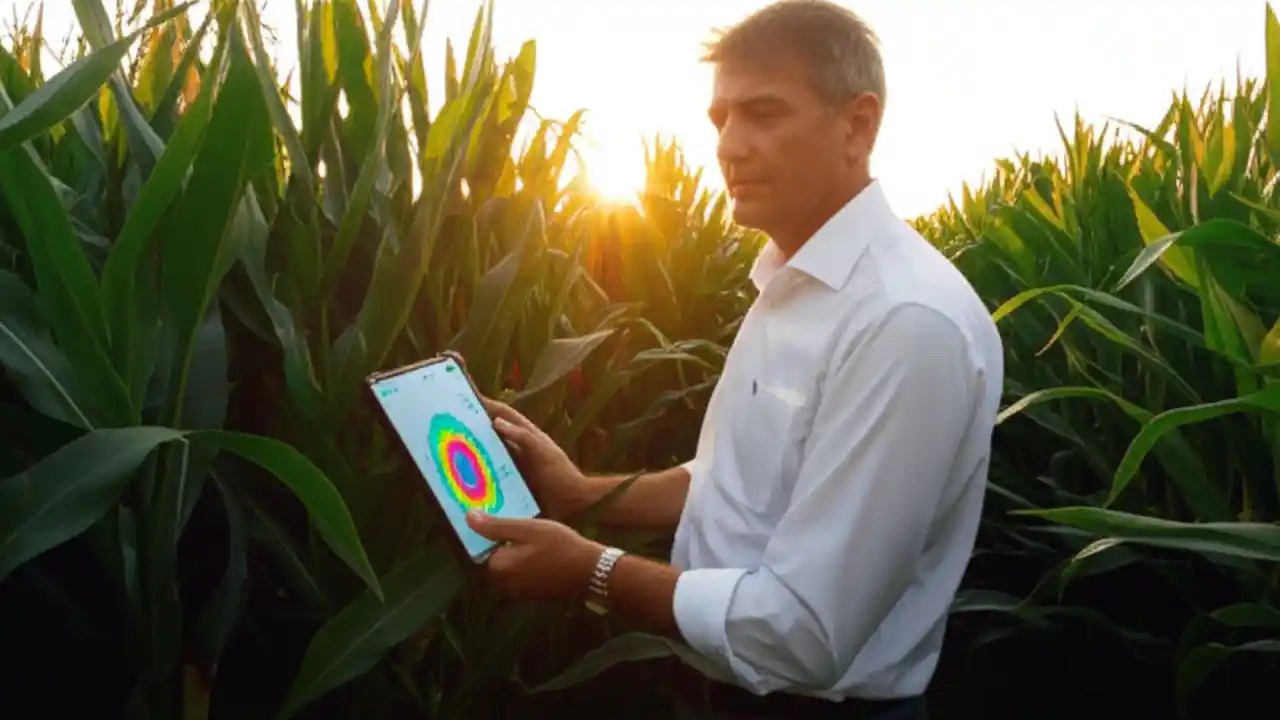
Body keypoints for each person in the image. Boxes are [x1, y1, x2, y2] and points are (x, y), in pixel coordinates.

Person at [464, 1, 1004, 717]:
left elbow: (805, 632)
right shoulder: (792, 283)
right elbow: (736, 480)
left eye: (763, 114)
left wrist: (590, 570)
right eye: (720, 119)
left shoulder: (904, 322)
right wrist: (582, 494)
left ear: (858, 124)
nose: (728, 146)